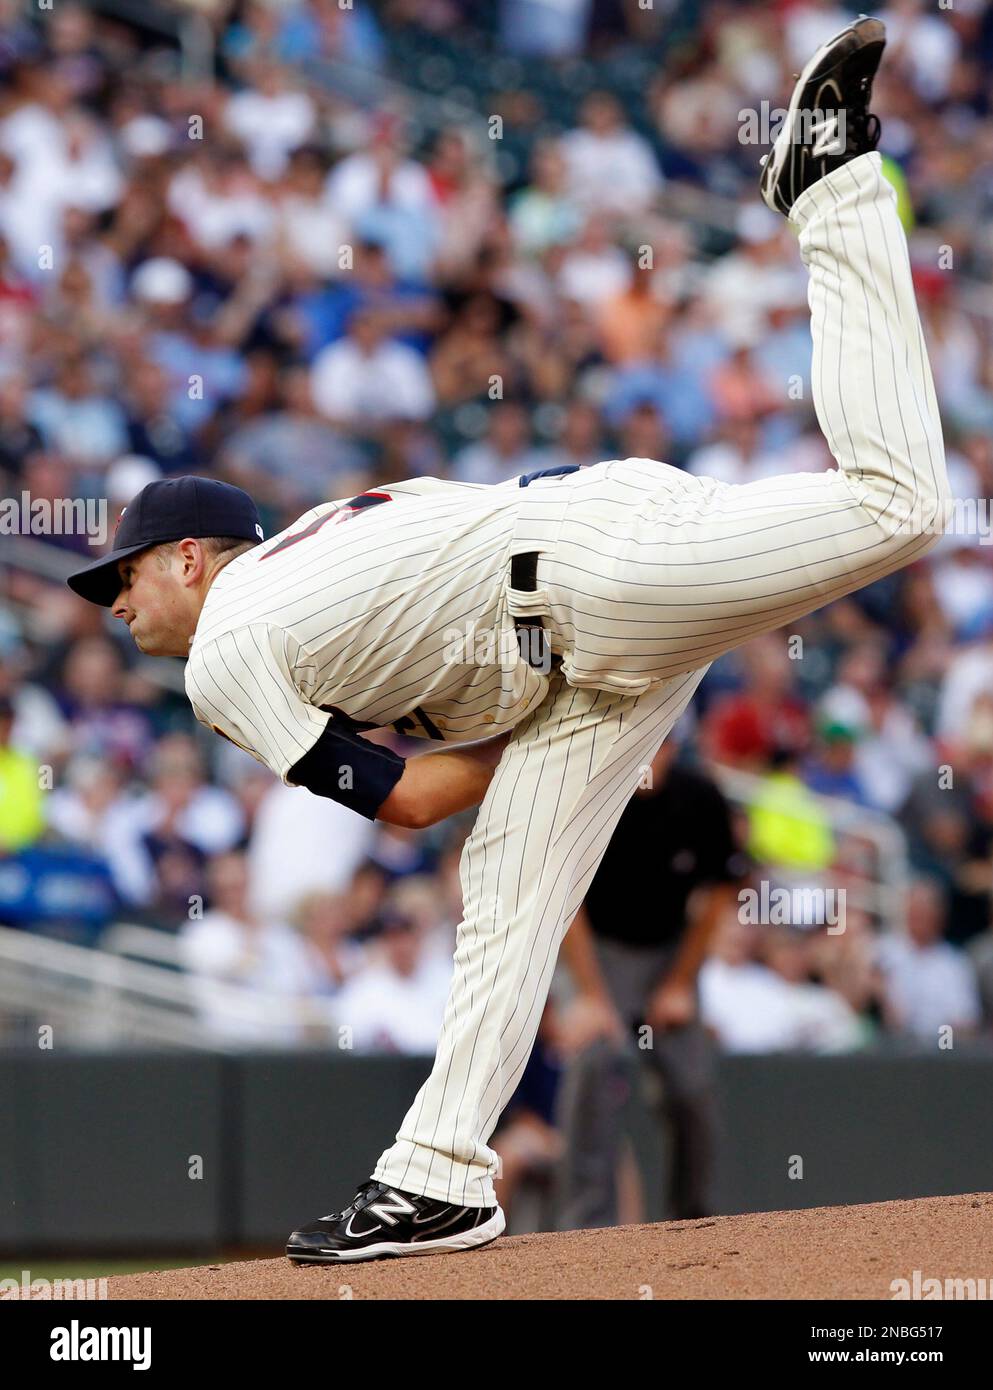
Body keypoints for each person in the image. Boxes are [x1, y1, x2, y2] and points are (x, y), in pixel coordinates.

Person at [66, 18, 950, 1264]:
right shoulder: (337, 534)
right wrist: (612, 725)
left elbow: (413, 801)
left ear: (194, 557)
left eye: (124, 576)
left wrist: (573, 737)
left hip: (586, 590)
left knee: (899, 505)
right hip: (585, 608)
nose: (113, 605)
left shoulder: (226, 646)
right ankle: (436, 1173)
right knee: (509, 898)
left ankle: (830, 186)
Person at [555, 734, 745, 1224]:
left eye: (657, 748)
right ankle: (585, 1227)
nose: (647, 760)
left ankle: (694, 1221)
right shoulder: (590, 797)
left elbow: (721, 889)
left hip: (668, 953)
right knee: (598, 1066)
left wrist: (681, 982)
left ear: (673, 749)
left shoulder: (699, 796)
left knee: (692, 1090)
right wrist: (594, 997)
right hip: (601, 952)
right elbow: (565, 904)